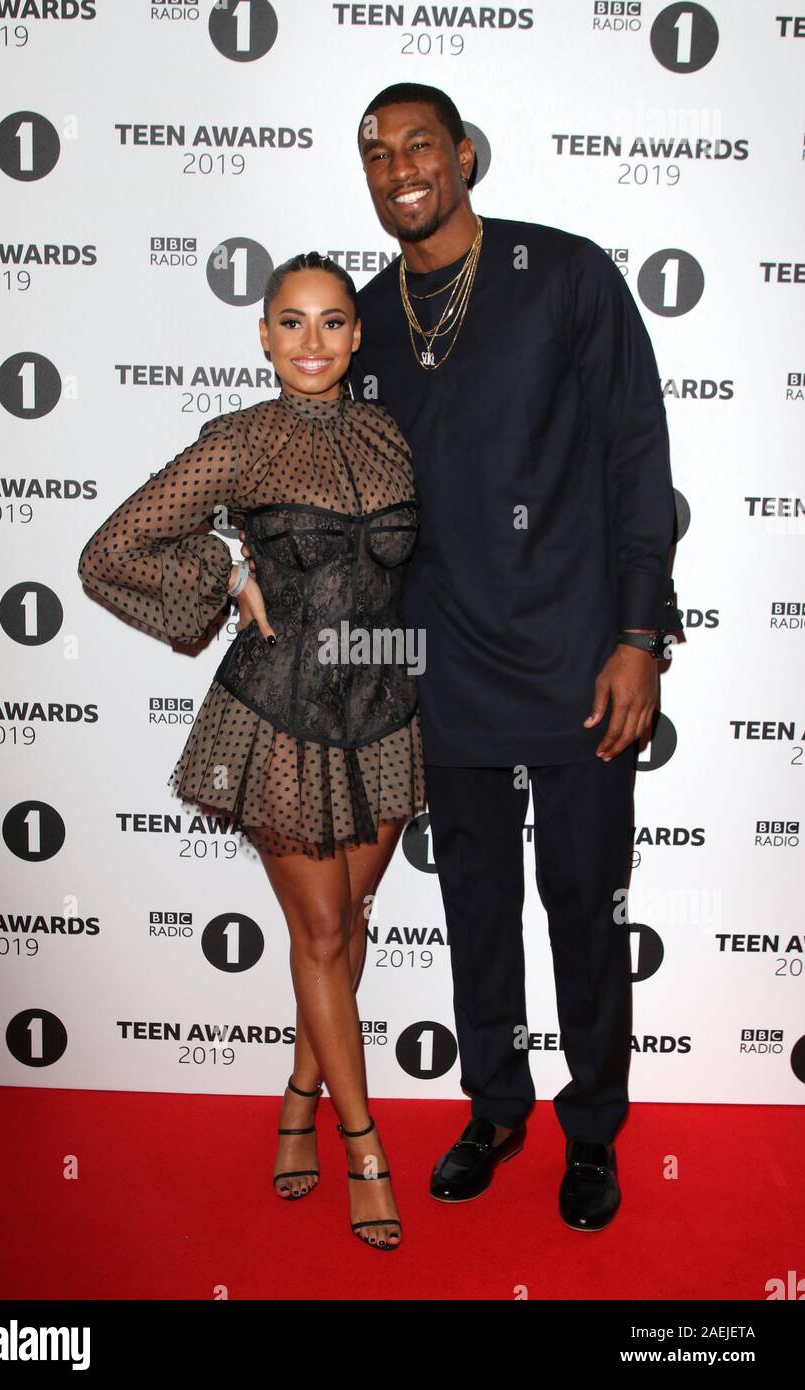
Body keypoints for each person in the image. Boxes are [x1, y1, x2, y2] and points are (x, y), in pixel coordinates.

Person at [240, 84, 678, 1232]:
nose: (398, 169)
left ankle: (591, 1132)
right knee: (474, 903)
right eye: (374, 154)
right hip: (439, 671)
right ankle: (494, 1107)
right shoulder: (364, 320)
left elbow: (638, 458)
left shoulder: (566, 275)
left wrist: (638, 637)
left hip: (582, 657)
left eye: (418, 144)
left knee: (580, 906)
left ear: (466, 155)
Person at [78, 252, 426, 1251]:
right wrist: (226, 573)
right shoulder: (238, 442)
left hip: (387, 710)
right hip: (280, 720)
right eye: (290, 322)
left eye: (330, 323)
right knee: (319, 936)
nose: (310, 343)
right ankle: (361, 1145)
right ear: (263, 336)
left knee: (348, 922)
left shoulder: (388, 433)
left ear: (357, 337)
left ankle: (295, 1094)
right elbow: (111, 552)